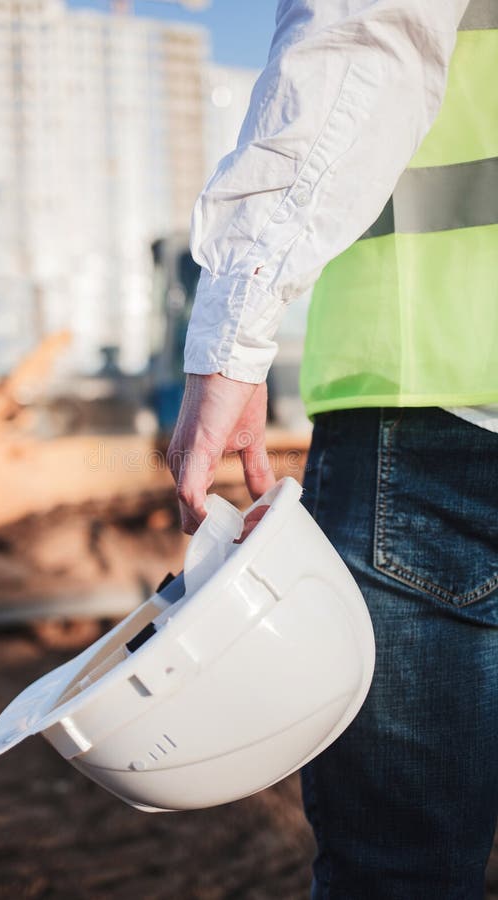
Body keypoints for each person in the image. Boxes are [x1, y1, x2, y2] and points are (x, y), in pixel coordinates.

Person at [166, 1, 498, 897]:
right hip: (435, 430)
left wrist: (231, 344)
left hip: (436, 403)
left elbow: (364, 39)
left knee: (399, 872)